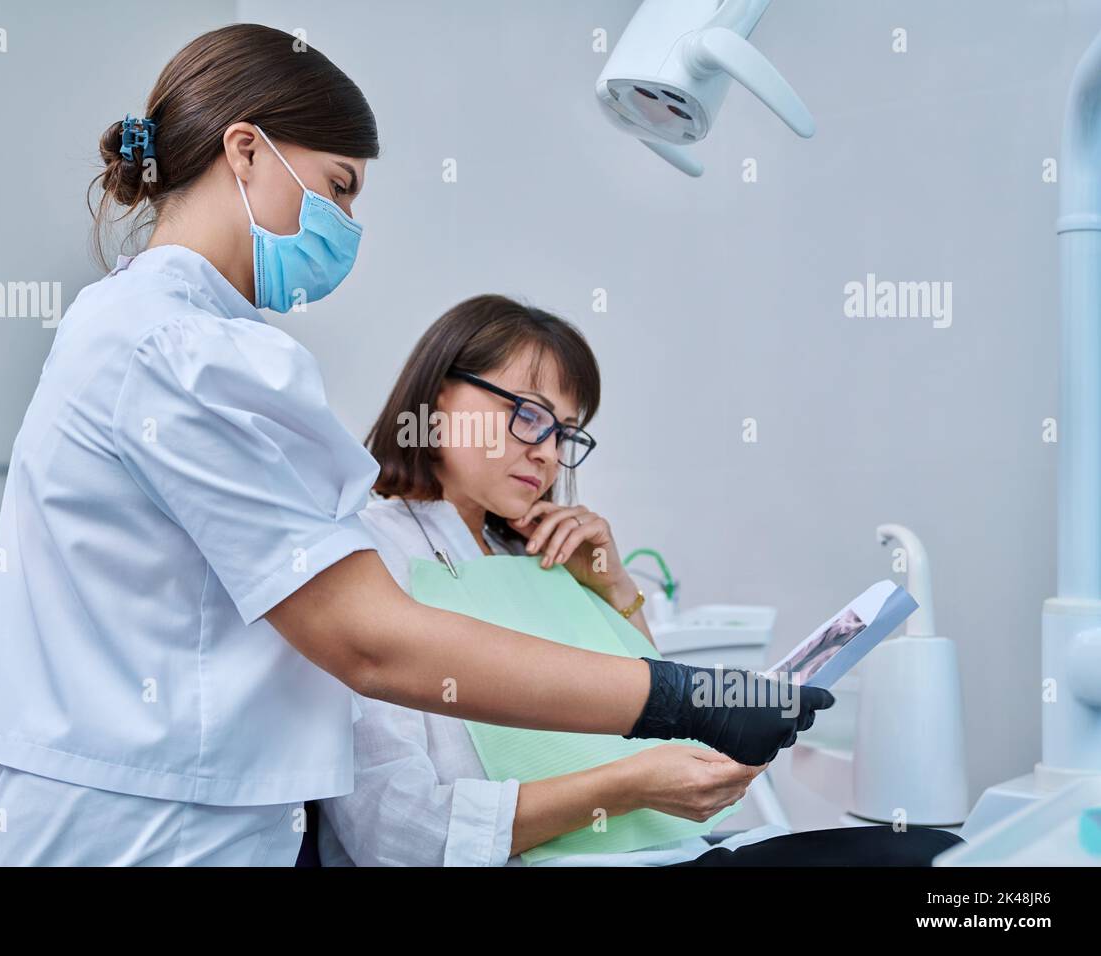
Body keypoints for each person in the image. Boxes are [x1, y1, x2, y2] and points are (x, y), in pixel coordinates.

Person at [0, 24, 829, 867]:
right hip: (130, 832)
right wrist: (682, 700)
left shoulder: (162, 333)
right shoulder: (176, 349)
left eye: (563, 430)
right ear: (247, 151)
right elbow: (372, 644)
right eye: (338, 187)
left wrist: (633, 618)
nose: (346, 224)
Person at [318, 295, 963, 866]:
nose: (547, 451)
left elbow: (657, 715)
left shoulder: (532, 555)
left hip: (658, 851)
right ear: (436, 398)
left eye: (565, 432)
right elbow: (393, 836)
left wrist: (616, 592)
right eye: (529, 414)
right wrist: (625, 786)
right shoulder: (368, 557)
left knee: (943, 854)